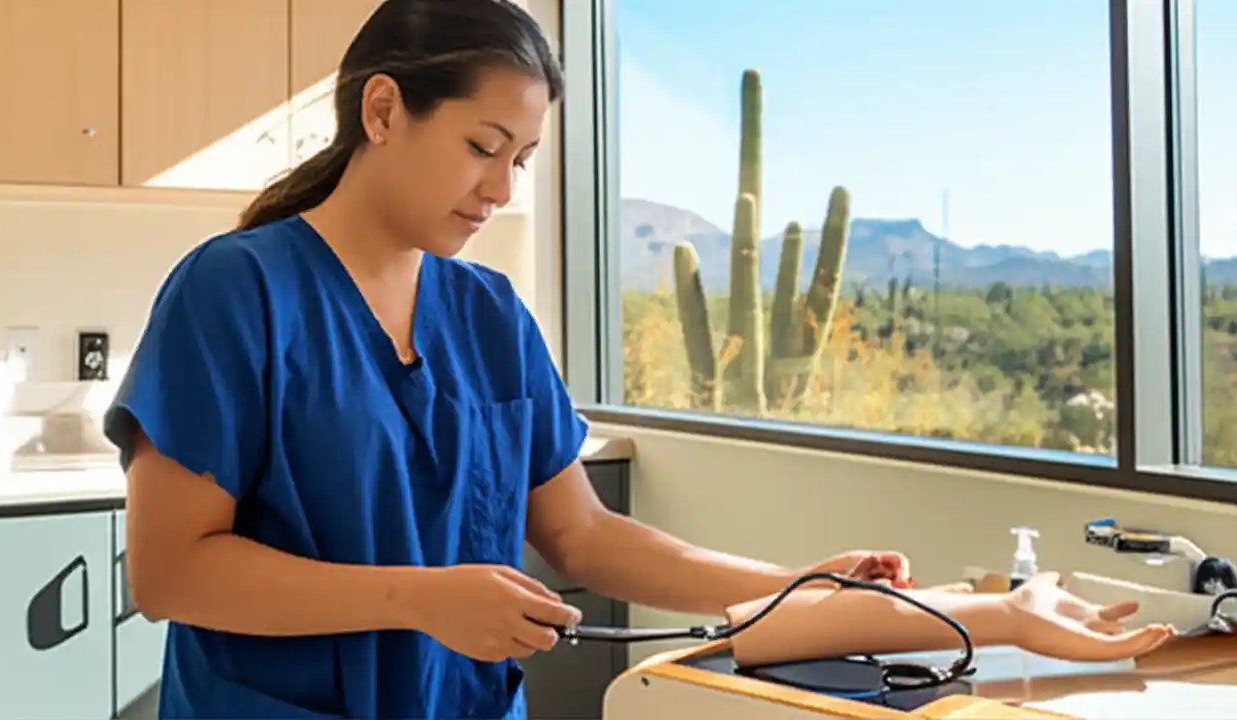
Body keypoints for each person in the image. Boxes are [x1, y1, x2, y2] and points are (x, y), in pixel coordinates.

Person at [104, 1, 1174, 718]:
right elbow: (168, 573)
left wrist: (797, 585)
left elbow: (586, 536)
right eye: (482, 147)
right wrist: (419, 599)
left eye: (521, 160)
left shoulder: (486, 313)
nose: (502, 189)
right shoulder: (235, 292)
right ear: (381, 109)